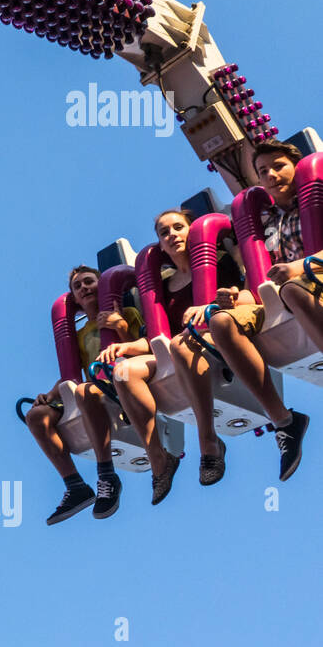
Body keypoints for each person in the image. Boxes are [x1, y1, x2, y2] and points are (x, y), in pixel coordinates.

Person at [101, 209, 249, 503]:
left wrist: (224, 301)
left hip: (216, 338)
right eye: (164, 232)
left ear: (192, 231)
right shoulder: (165, 286)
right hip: (178, 347)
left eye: (178, 228)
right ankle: (160, 459)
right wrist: (127, 347)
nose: (172, 235)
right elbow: (159, 338)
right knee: (123, 372)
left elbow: (245, 296)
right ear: (160, 243)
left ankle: (209, 440)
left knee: (184, 345)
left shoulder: (218, 261)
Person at [203, 140, 321, 481]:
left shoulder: (316, 199)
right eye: (263, 171)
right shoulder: (265, 220)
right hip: (278, 294)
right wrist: (235, 296)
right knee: (222, 322)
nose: (270, 175)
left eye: (278, 166)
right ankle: (284, 421)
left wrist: (299, 267)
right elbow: (261, 283)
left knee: (293, 288)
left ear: (297, 166)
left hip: (312, 281)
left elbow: (289, 275)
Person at [24, 265, 145, 525]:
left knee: (85, 391)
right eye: (77, 287)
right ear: (75, 300)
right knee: (36, 416)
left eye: (89, 282)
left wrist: (120, 326)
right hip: (88, 389)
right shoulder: (80, 335)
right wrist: (49, 394)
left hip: (121, 383)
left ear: (101, 286)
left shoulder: (129, 314)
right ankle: (75, 485)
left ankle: (106, 476)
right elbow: (71, 373)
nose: (83, 288)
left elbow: (143, 350)